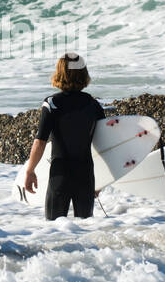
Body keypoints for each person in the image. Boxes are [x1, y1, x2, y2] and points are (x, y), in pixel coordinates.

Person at [23, 52, 105, 220]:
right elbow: (103, 145)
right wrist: (103, 179)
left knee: (54, 231)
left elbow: (40, 141)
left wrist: (30, 171)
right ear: (83, 74)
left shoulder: (52, 103)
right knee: (86, 230)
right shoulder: (93, 104)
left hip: (60, 176)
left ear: (59, 73)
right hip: (86, 176)